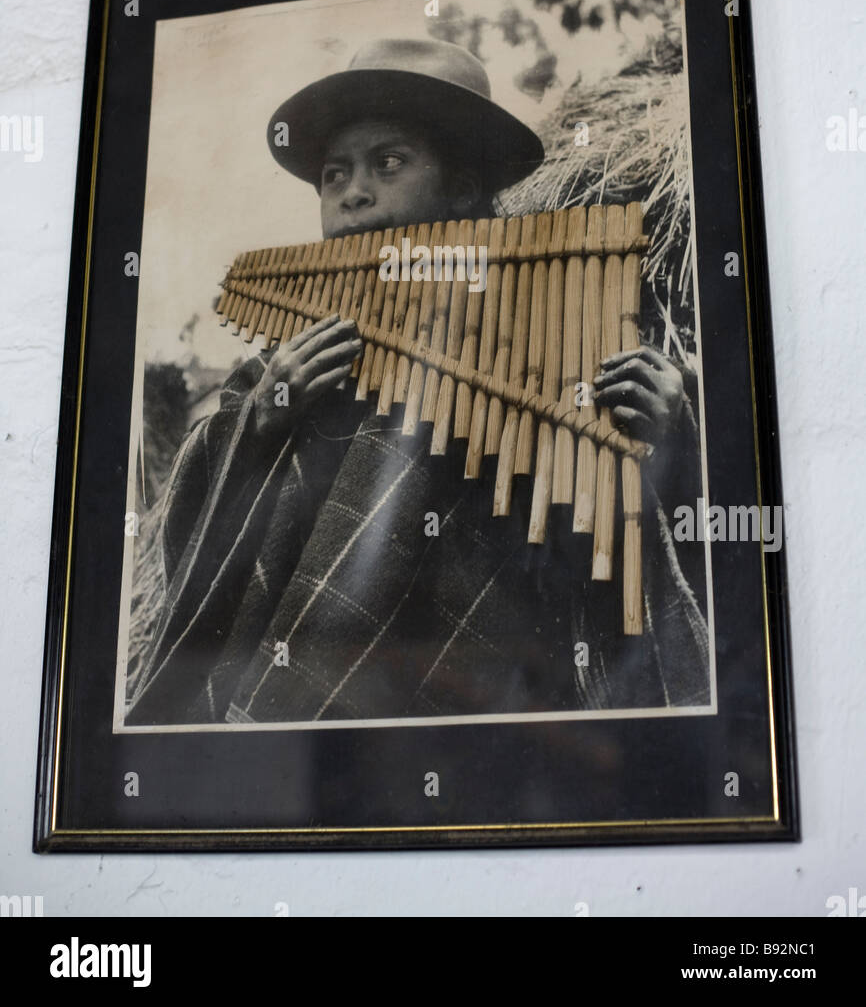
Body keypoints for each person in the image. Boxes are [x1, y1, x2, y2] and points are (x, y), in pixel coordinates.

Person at [126, 38, 709, 726]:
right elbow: (192, 531)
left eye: (389, 163)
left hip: (494, 711)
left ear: (465, 186)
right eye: (334, 176)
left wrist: (668, 429)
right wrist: (259, 423)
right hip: (301, 717)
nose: (353, 193)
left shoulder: (561, 332)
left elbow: (632, 536)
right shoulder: (286, 362)